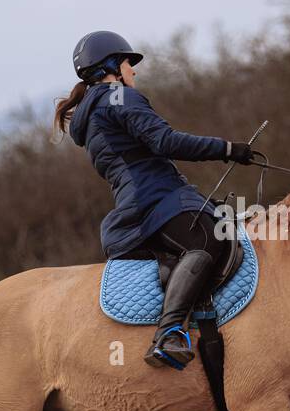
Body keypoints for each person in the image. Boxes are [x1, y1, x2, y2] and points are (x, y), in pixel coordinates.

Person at [54, 30, 254, 369]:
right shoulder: (119, 98)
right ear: (112, 66)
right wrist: (226, 149)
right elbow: (166, 141)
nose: (135, 70)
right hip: (155, 202)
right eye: (130, 63)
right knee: (207, 240)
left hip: (144, 204)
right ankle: (169, 332)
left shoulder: (94, 114)